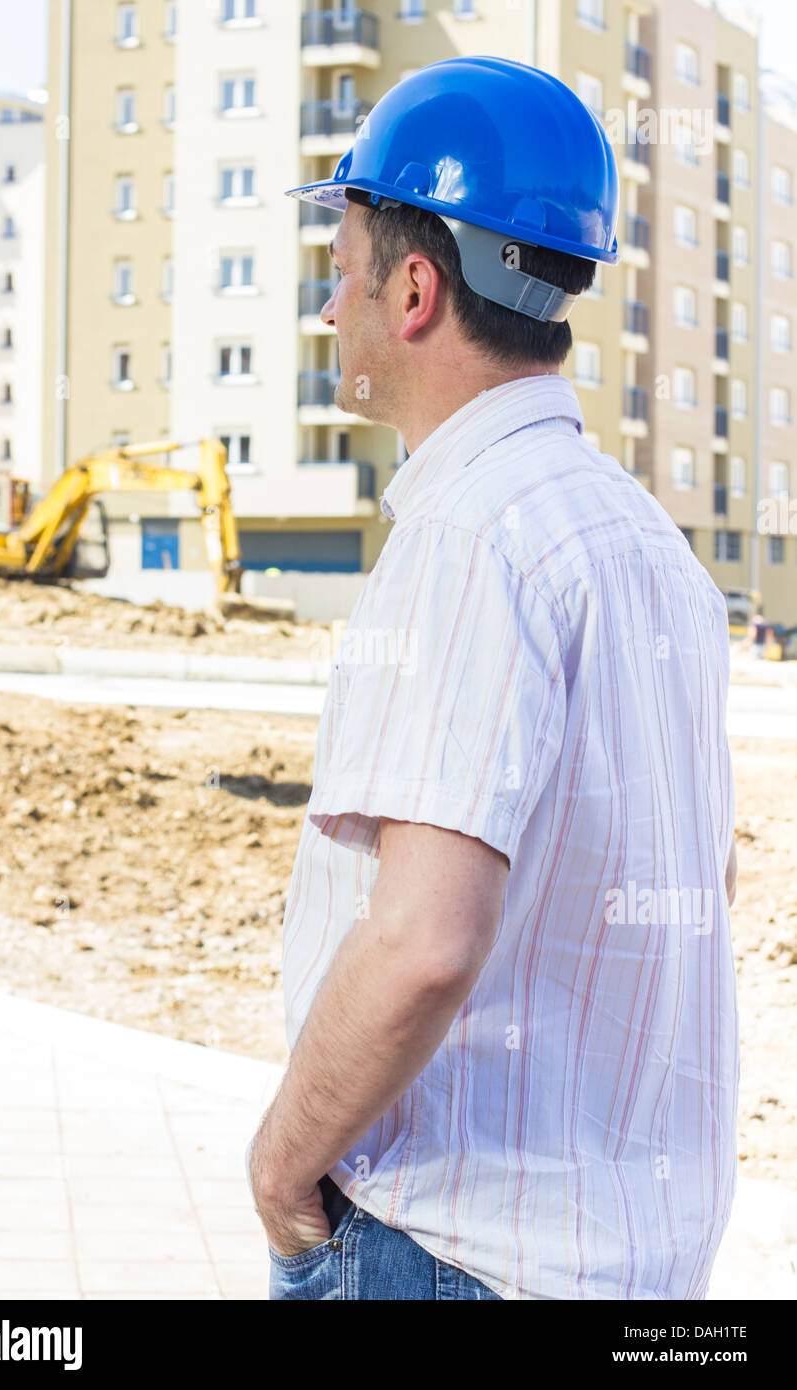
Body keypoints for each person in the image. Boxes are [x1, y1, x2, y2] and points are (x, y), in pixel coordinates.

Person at [246, 55, 740, 1301]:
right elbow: (698, 877)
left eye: (341, 268)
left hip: (444, 1256)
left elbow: (421, 938)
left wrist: (280, 1167)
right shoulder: (648, 550)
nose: (327, 312)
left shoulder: (470, 537)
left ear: (413, 289)